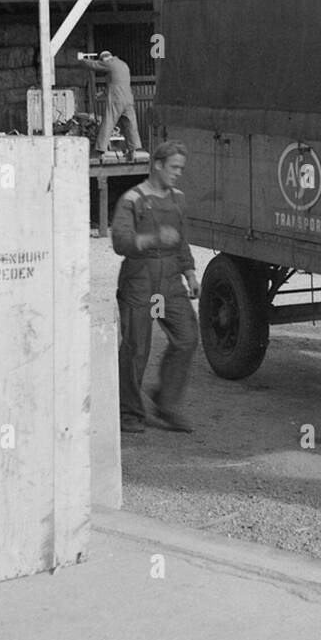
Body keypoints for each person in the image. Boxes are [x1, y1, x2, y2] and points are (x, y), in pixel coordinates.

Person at [111, 140, 199, 435]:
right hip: (140, 280)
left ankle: (167, 402)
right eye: (173, 167)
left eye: (181, 169)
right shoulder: (132, 199)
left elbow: (182, 240)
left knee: (186, 338)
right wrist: (151, 238)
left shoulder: (178, 199)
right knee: (136, 348)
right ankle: (129, 413)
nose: (178, 174)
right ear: (157, 165)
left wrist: (190, 273)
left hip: (169, 282)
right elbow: (120, 242)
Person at [79, 49, 143, 159]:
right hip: (127, 99)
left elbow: (94, 65)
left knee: (108, 123)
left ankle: (100, 151)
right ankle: (133, 151)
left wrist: (82, 60)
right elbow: (116, 82)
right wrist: (102, 93)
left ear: (104, 58)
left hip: (116, 99)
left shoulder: (110, 63)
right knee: (130, 124)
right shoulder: (123, 64)